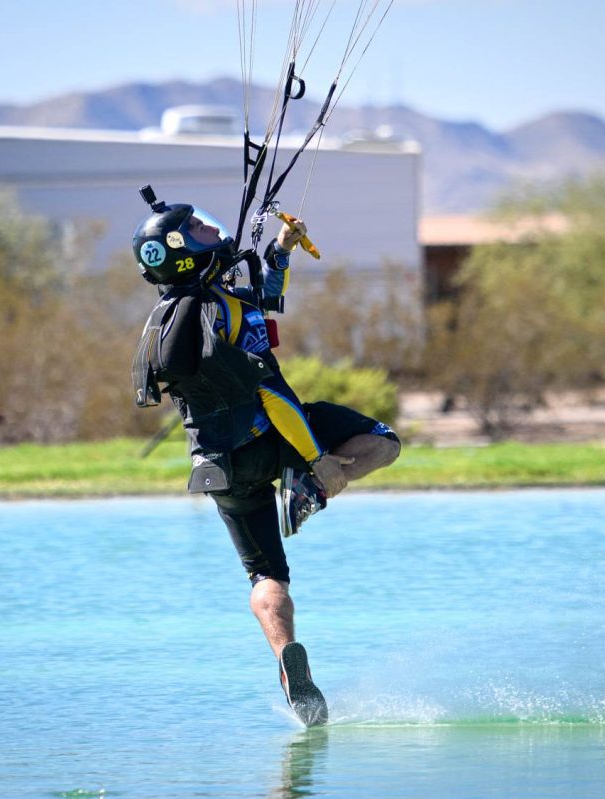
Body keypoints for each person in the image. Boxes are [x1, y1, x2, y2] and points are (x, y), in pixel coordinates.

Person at [131, 188, 401, 725]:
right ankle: (306, 488)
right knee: (383, 440)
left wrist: (280, 253)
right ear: (186, 248)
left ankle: (285, 658)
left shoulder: (172, 318)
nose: (215, 232)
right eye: (203, 231)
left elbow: (260, 301)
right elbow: (272, 394)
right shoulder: (224, 308)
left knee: (265, 577)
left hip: (218, 468)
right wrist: (316, 462)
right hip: (271, 438)